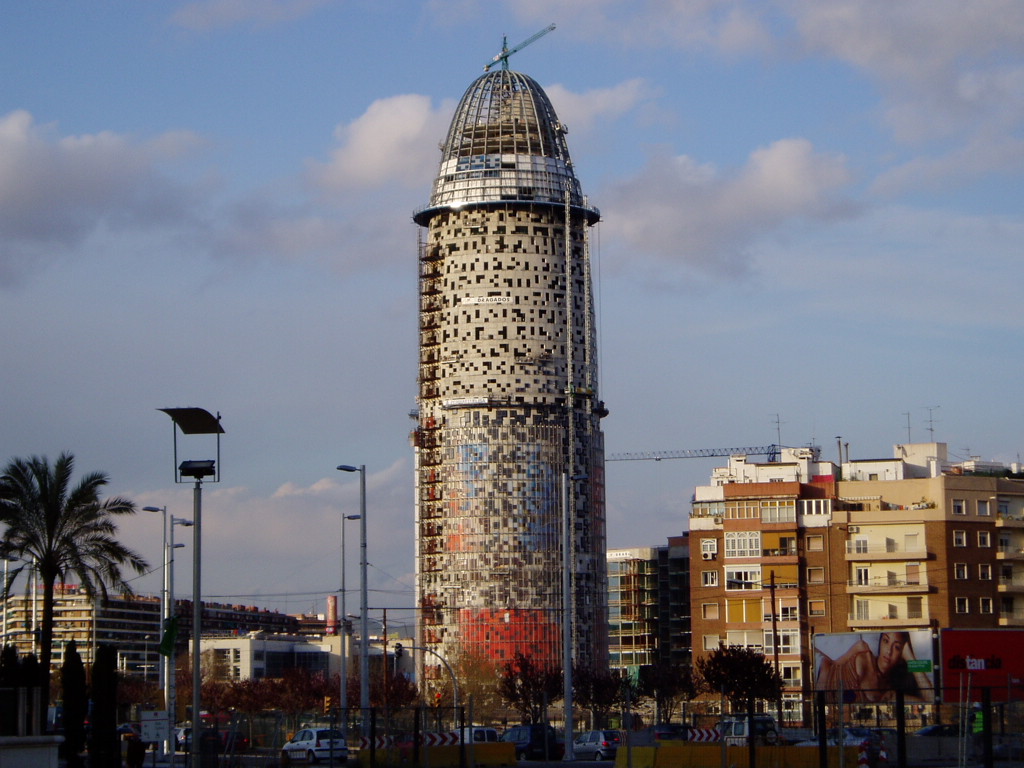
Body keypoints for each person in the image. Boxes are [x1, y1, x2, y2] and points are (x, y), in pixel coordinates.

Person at [815, 632, 930, 702]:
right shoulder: (865, 654)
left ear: (901, 657)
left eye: (897, 648)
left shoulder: (889, 693)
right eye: (886, 641)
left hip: (822, 699)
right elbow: (834, 663)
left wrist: (910, 658)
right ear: (880, 643)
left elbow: (931, 699)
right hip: (818, 672)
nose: (889, 651)